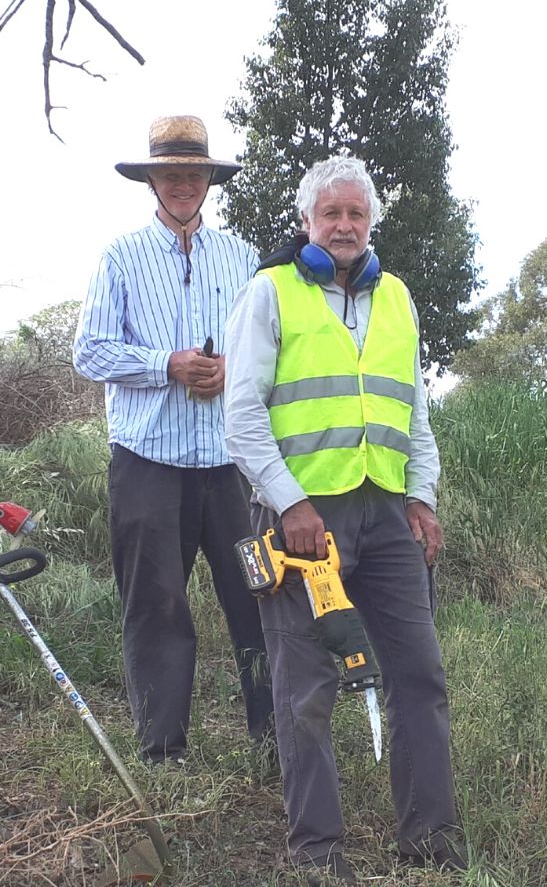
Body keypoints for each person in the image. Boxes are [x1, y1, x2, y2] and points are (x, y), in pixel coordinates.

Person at [223, 155, 462, 883]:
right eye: (332, 214)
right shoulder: (269, 294)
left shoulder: (397, 297)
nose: (346, 225)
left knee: (419, 676)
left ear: (371, 223)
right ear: (307, 223)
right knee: (305, 692)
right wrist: (290, 503)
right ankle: (319, 856)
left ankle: (431, 845)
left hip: (387, 515)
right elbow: (240, 416)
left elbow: (414, 410)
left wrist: (422, 496)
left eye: (357, 214)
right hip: (302, 522)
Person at [72, 115, 272, 766]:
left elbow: (264, 351)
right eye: (171, 173)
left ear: (209, 181)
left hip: (229, 466)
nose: (184, 184)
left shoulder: (241, 258)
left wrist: (227, 373)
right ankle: (163, 749)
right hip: (147, 465)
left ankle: (275, 737)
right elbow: (91, 352)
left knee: (258, 593)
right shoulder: (120, 257)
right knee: (155, 605)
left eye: (195, 173)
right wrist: (168, 365)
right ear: (152, 180)